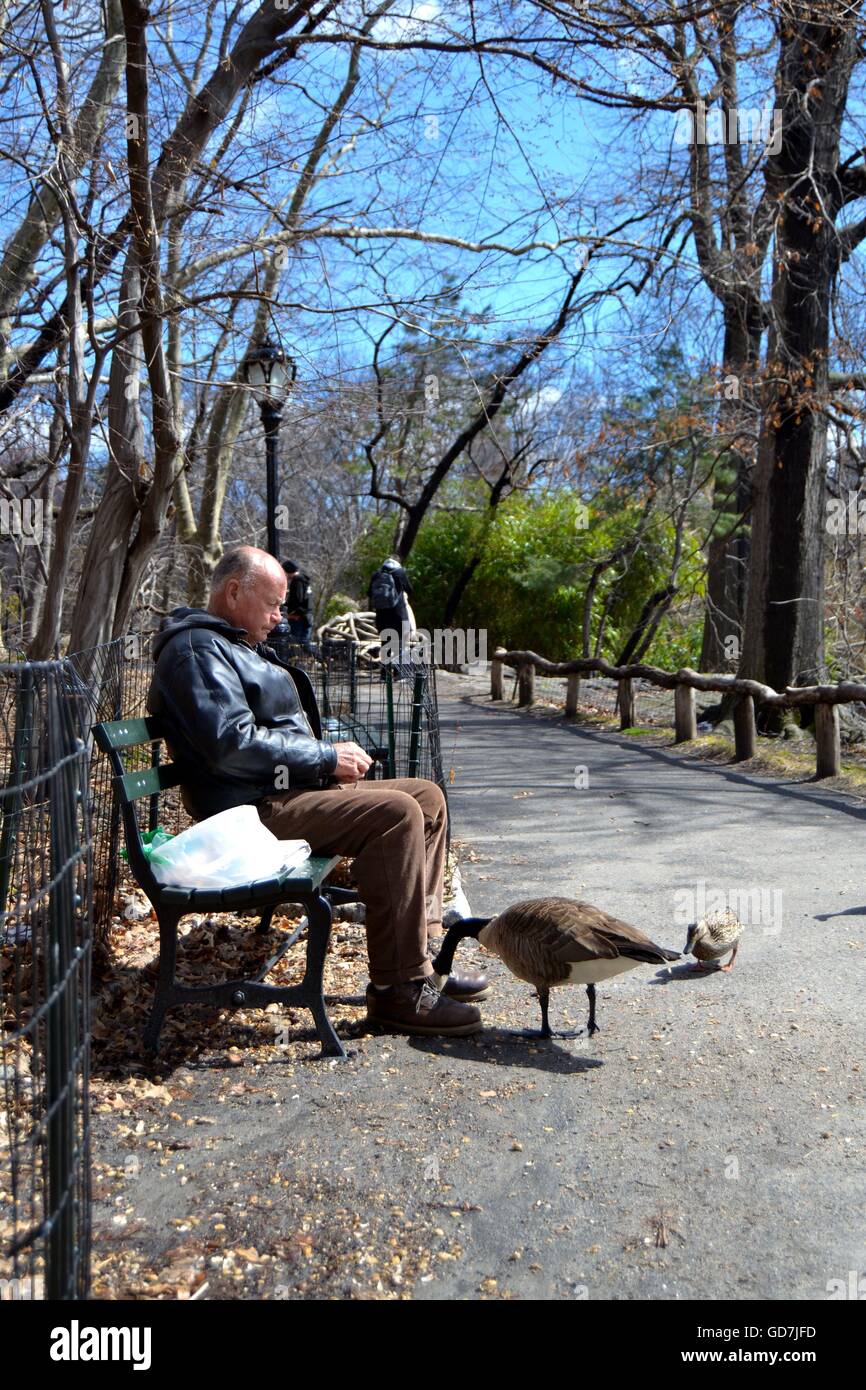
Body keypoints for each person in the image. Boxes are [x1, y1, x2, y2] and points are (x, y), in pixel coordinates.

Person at [147, 546, 487, 1036]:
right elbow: (231, 745)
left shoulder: (229, 643)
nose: (278, 616)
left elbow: (260, 735)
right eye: (271, 603)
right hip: (250, 814)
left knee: (427, 797)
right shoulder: (198, 651)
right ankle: (398, 991)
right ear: (234, 591)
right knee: (396, 813)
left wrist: (326, 757)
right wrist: (326, 758)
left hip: (282, 794)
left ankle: (421, 959)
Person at [369, 556, 414, 666]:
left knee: (385, 644)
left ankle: (385, 675)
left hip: (382, 616)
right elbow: (410, 589)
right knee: (401, 644)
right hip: (399, 614)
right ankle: (399, 674)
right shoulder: (399, 572)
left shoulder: (376, 575)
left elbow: (370, 594)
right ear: (398, 562)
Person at [281, 559, 314, 652]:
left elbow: (297, 599)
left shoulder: (297, 580)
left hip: (298, 617)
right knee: (305, 643)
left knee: (294, 643)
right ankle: (318, 659)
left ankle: (318, 658)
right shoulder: (304, 579)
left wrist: (291, 613)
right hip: (308, 616)